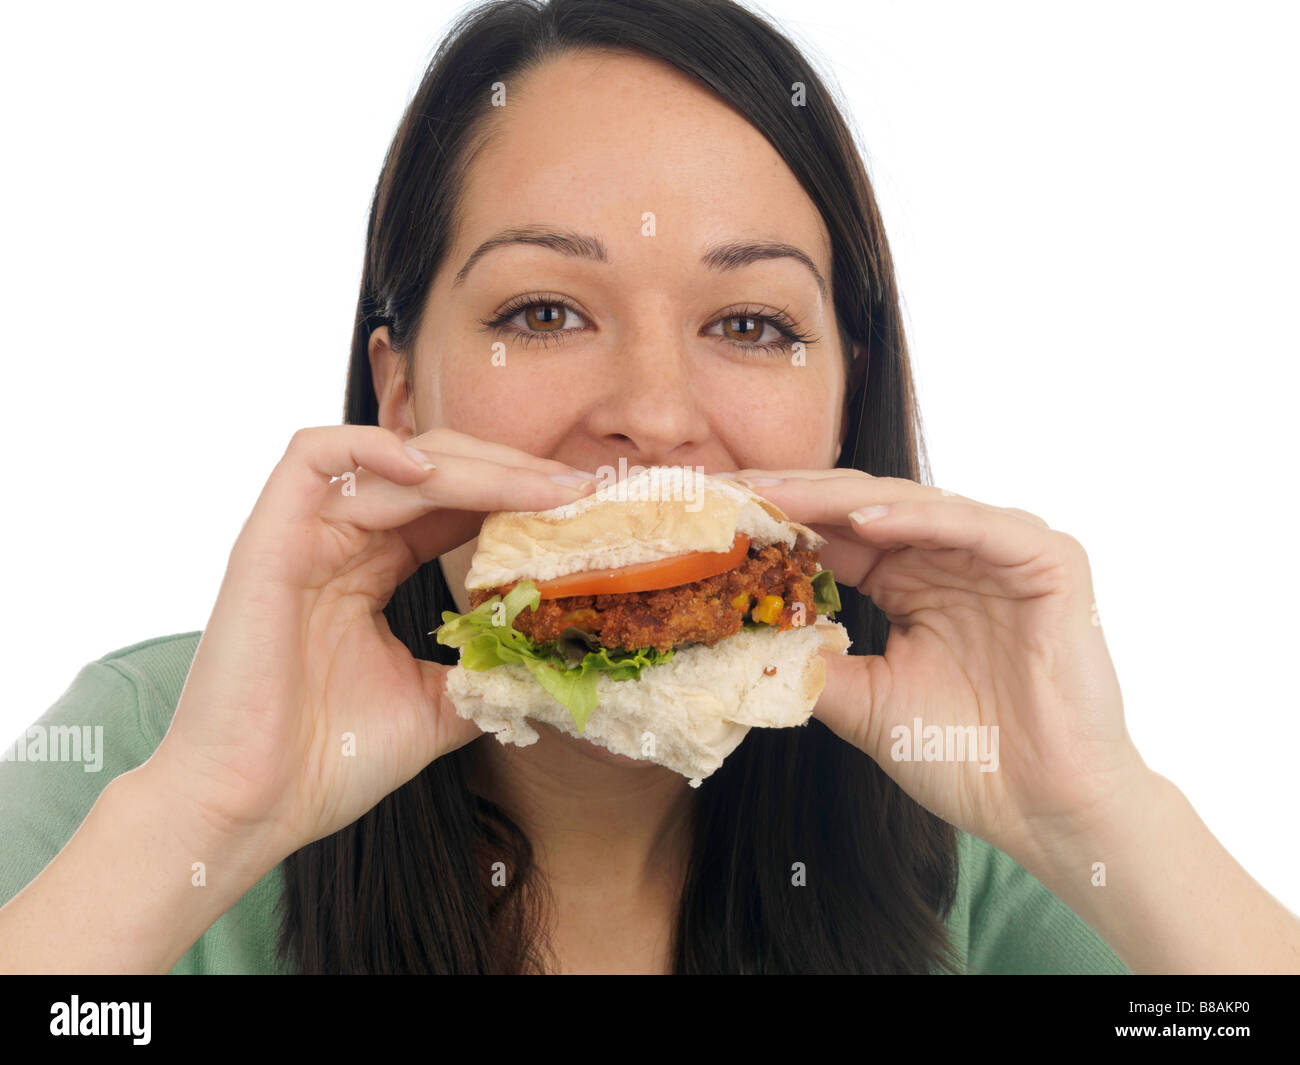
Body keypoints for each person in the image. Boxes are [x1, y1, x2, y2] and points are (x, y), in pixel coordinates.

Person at [1, 0, 1296, 975]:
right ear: (400, 393)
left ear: (851, 399)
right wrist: (210, 819)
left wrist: (1098, 809)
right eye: (547, 306)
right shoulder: (150, 751)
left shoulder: (974, 836)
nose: (659, 415)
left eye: (752, 324)